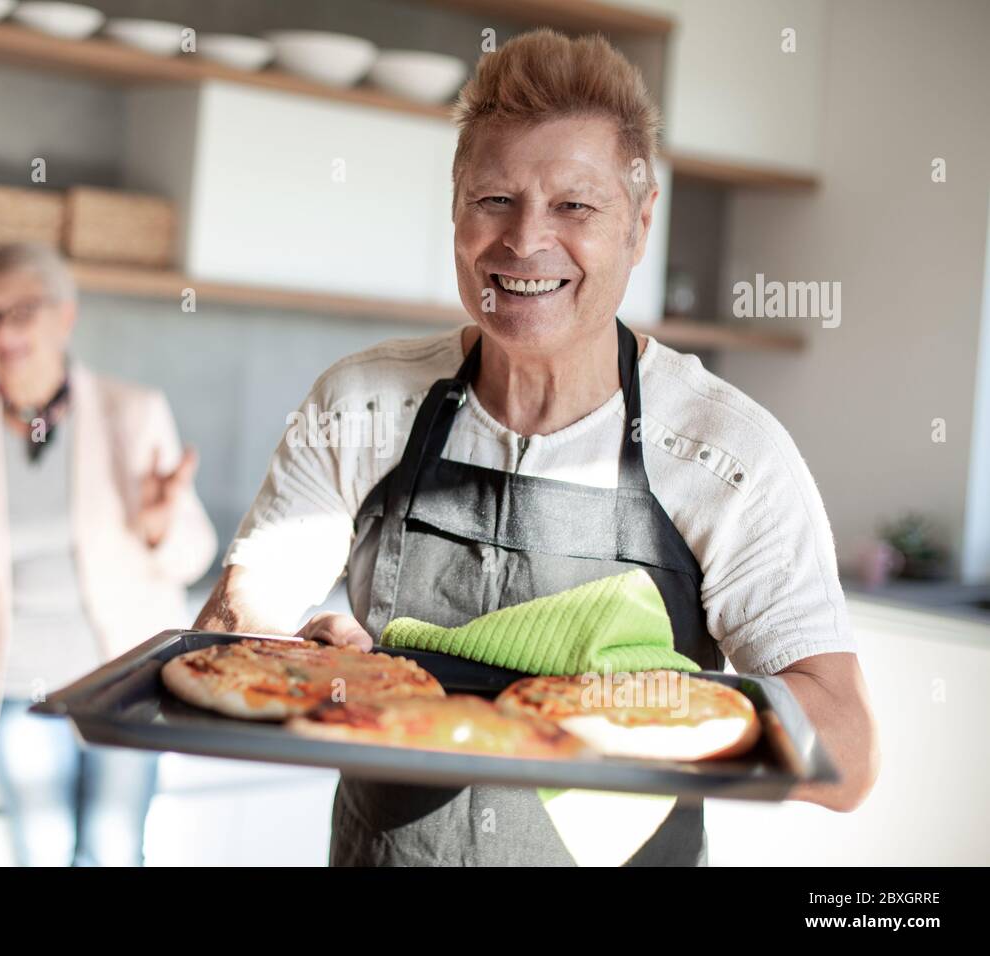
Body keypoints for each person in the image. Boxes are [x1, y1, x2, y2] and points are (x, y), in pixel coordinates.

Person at [195, 30, 880, 866]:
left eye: (574, 206)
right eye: (494, 199)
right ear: (455, 208)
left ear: (640, 221)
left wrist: (654, 709)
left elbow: (846, 756)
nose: (524, 242)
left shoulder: (726, 452)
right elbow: (231, 641)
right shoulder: (360, 404)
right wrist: (305, 660)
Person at [0, 242, 217, 866]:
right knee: (41, 852)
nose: (2, 331)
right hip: (17, 693)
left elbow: (192, 557)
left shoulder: (132, 413)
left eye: (21, 311)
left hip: (123, 682)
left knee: (114, 851)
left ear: (64, 316)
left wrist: (159, 524)